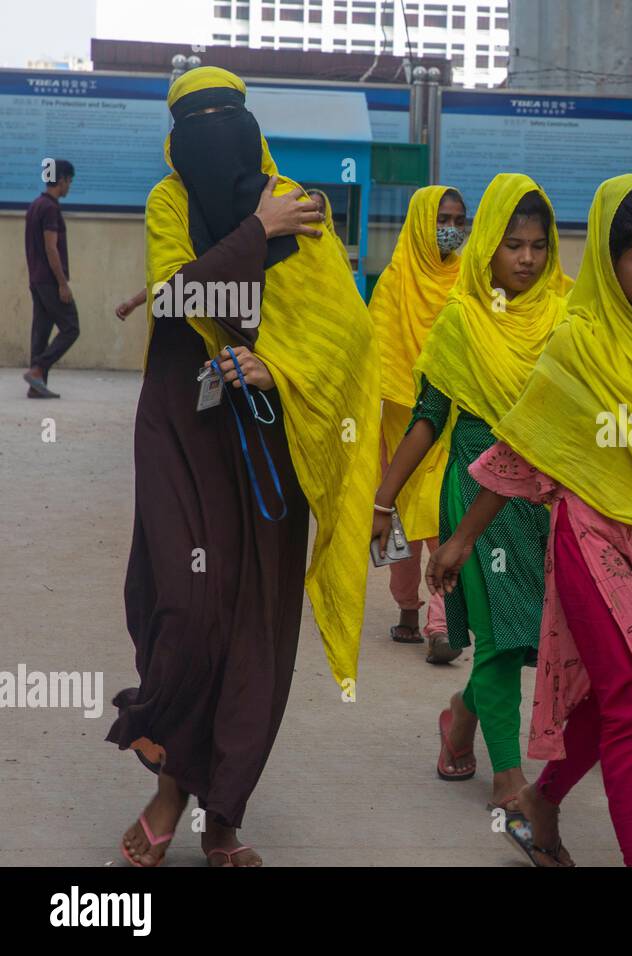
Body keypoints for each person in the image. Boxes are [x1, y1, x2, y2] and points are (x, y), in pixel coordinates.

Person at [427, 175, 632, 867]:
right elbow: (529, 448)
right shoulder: (579, 342)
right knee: (631, 706)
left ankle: (543, 800)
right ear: (608, 258)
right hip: (591, 537)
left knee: (620, 696)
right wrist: (460, 539)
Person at [108, 67, 380, 868]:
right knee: (185, 604)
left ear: (252, 128)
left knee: (255, 631)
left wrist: (282, 368)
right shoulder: (174, 203)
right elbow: (174, 301)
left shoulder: (296, 199)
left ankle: (218, 814)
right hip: (179, 421)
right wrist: (256, 232)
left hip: (267, 435)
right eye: (197, 119)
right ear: (174, 137)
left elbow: (345, 331)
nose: (213, 130)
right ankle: (164, 754)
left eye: (227, 116)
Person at [372, 173, 567, 819]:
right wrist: (384, 499)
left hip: (539, 499)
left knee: (525, 636)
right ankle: (509, 779)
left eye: (539, 246)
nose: (527, 259)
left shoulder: (566, 319)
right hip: (475, 492)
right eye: (514, 245)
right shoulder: (462, 318)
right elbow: (428, 414)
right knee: (502, 643)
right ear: (489, 246)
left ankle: (458, 722)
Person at [368, 185, 468, 662]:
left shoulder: (471, 279)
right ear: (421, 223)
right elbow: (376, 355)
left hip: (452, 415)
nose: (450, 229)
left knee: (441, 510)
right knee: (401, 515)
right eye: (441, 219)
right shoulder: (395, 281)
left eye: (458, 220)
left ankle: (440, 622)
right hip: (400, 419)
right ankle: (408, 609)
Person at [23, 158, 78, 398]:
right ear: (63, 179)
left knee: (42, 330)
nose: (69, 187)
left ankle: (36, 387)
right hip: (49, 280)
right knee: (71, 327)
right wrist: (62, 283)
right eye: (69, 181)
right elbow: (50, 247)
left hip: (36, 279)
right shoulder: (50, 208)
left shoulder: (36, 205)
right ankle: (37, 370)